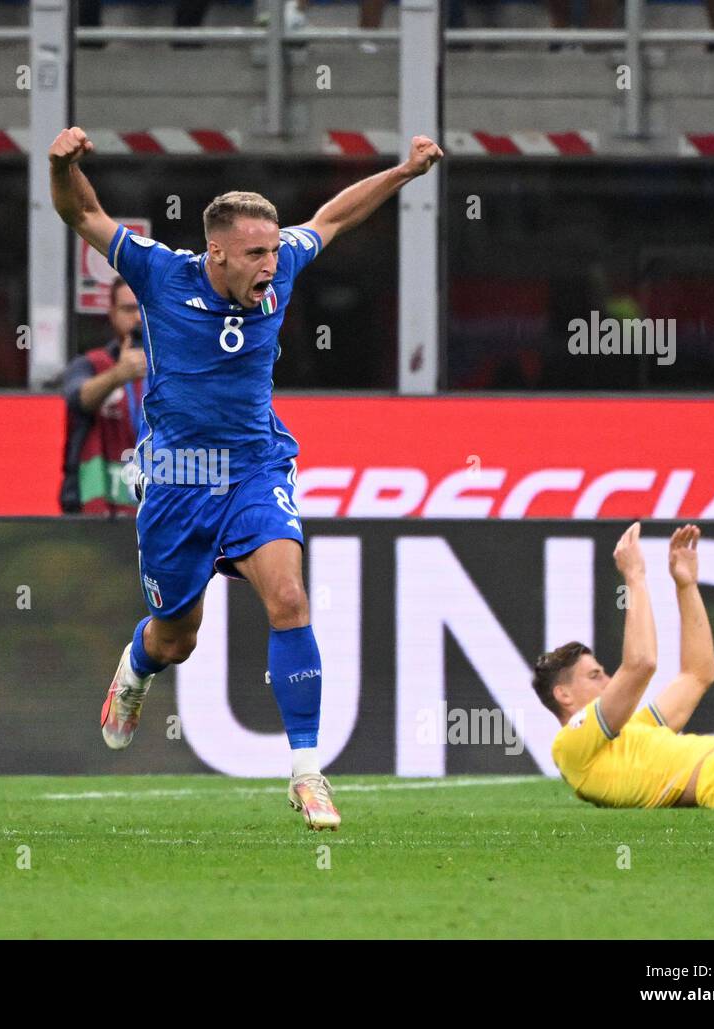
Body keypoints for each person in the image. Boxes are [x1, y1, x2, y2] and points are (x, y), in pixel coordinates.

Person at [48, 124, 443, 830]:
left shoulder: (283, 263)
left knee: (289, 594)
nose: (272, 263)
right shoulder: (162, 273)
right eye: (256, 253)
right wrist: (62, 165)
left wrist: (405, 172)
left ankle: (306, 772)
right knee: (178, 638)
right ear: (218, 252)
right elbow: (83, 214)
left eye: (273, 249)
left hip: (256, 465)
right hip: (176, 480)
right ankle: (138, 666)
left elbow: (333, 217)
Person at [534, 522, 714, 809]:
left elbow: (699, 674)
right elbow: (641, 664)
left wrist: (686, 585)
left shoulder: (636, 728)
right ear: (564, 695)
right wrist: (634, 576)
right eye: (595, 675)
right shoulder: (569, 747)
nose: (608, 681)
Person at [60, 278, 147, 516]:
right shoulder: (91, 364)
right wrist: (119, 375)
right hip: (99, 507)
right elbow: (78, 400)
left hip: (159, 505)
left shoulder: (177, 368)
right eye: (129, 309)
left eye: (144, 308)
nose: (139, 318)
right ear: (112, 314)